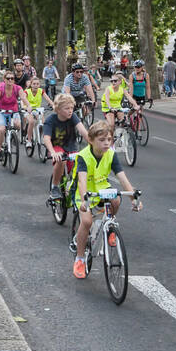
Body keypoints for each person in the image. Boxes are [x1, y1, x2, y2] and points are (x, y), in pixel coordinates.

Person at [71, 120, 142, 279]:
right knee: (87, 222)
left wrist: (133, 199)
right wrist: (84, 201)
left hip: (103, 188)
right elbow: (82, 181)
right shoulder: (83, 156)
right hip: (86, 193)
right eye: (102, 140)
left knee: (116, 199)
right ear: (91, 140)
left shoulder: (111, 154)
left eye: (109, 140)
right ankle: (80, 258)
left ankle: (109, 226)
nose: (106, 143)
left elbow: (123, 178)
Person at [42, 93, 90, 198]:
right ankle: (55, 186)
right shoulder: (50, 120)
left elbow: (83, 132)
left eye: (72, 108)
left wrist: (94, 145)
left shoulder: (73, 116)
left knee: (78, 167)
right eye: (66, 108)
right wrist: (53, 152)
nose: (70, 110)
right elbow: (46, 138)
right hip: (56, 148)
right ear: (58, 109)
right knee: (61, 159)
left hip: (71, 147)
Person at [0, 68, 24, 161]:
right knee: (2, 129)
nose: (10, 80)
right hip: (1, 112)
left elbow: (23, 98)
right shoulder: (0, 88)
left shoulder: (17, 88)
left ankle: (13, 137)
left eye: (12, 78)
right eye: (8, 78)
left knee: (18, 125)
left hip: (13, 111)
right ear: (4, 79)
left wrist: (28, 106)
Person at [23, 75, 47, 149]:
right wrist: (26, 107)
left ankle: (41, 137)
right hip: (28, 110)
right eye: (34, 84)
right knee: (31, 121)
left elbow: (48, 99)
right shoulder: (26, 91)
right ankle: (29, 141)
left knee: (44, 122)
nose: (36, 86)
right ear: (31, 84)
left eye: (37, 84)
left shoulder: (41, 91)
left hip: (37, 110)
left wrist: (53, 105)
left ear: (39, 85)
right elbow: (22, 99)